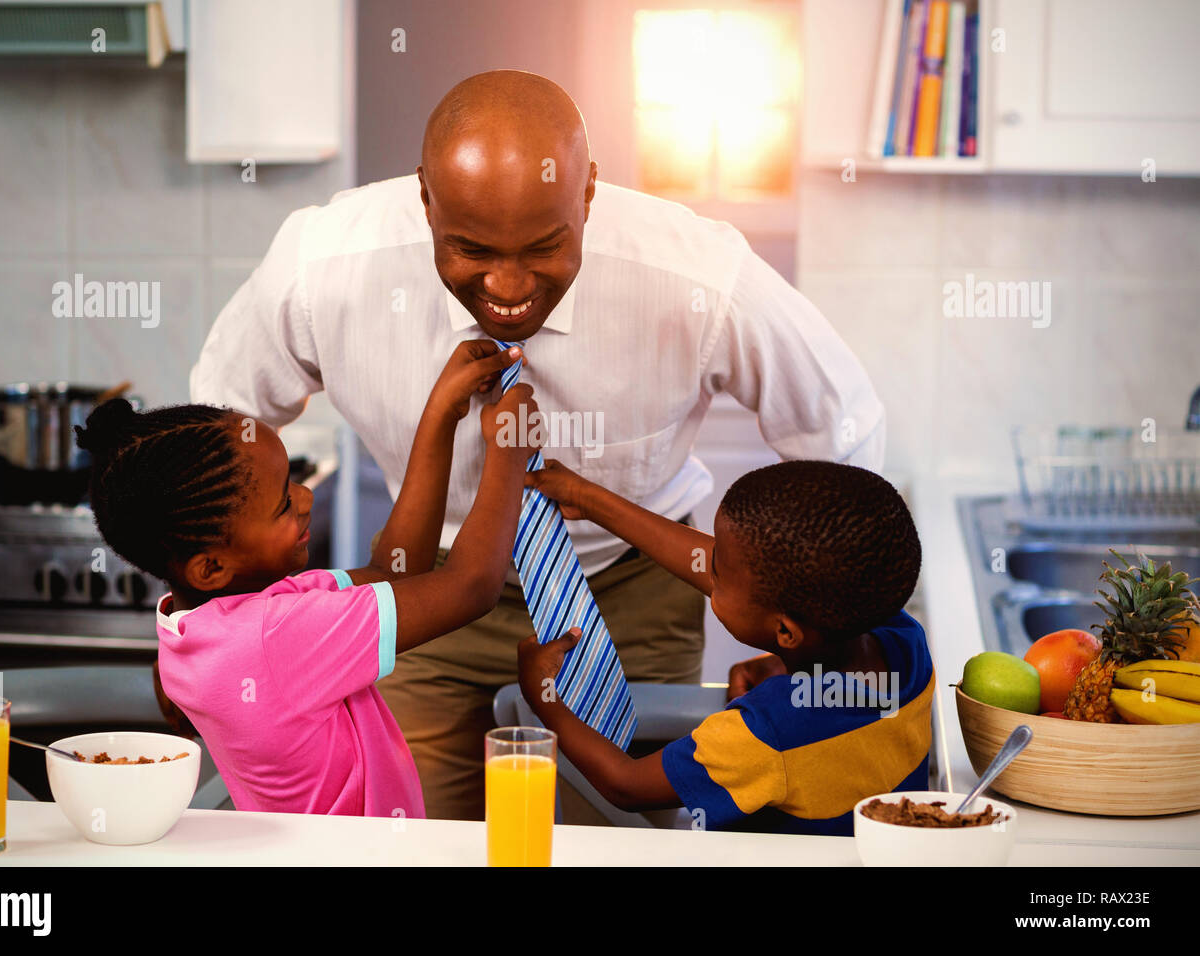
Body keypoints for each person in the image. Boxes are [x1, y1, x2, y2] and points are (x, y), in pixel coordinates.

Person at [190, 69, 886, 821]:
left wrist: (805, 643)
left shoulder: (696, 275)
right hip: (423, 599)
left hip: (631, 604)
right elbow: (213, 434)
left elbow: (842, 433)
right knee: (409, 842)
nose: (509, 284)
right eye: (470, 249)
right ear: (425, 198)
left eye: (544, 248)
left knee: (618, 848)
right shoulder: (322, 267)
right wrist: (218, 630)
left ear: (586, 191)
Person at [77, 341, 536, 817]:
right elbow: (473, 587)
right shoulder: (276, 637)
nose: (305, 498)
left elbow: (394, 571)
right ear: (211, 568)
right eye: (281, 503)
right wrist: (508, 453)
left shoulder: (198, 624)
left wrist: (441, 413)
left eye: (293, 478)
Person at [516, 458, 933, 835]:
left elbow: (625, 785)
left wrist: (545, 699)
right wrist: (585, 498)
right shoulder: (905, 643)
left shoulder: (767, 733)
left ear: (787, 632)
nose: (705, 564)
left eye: (718, 569)